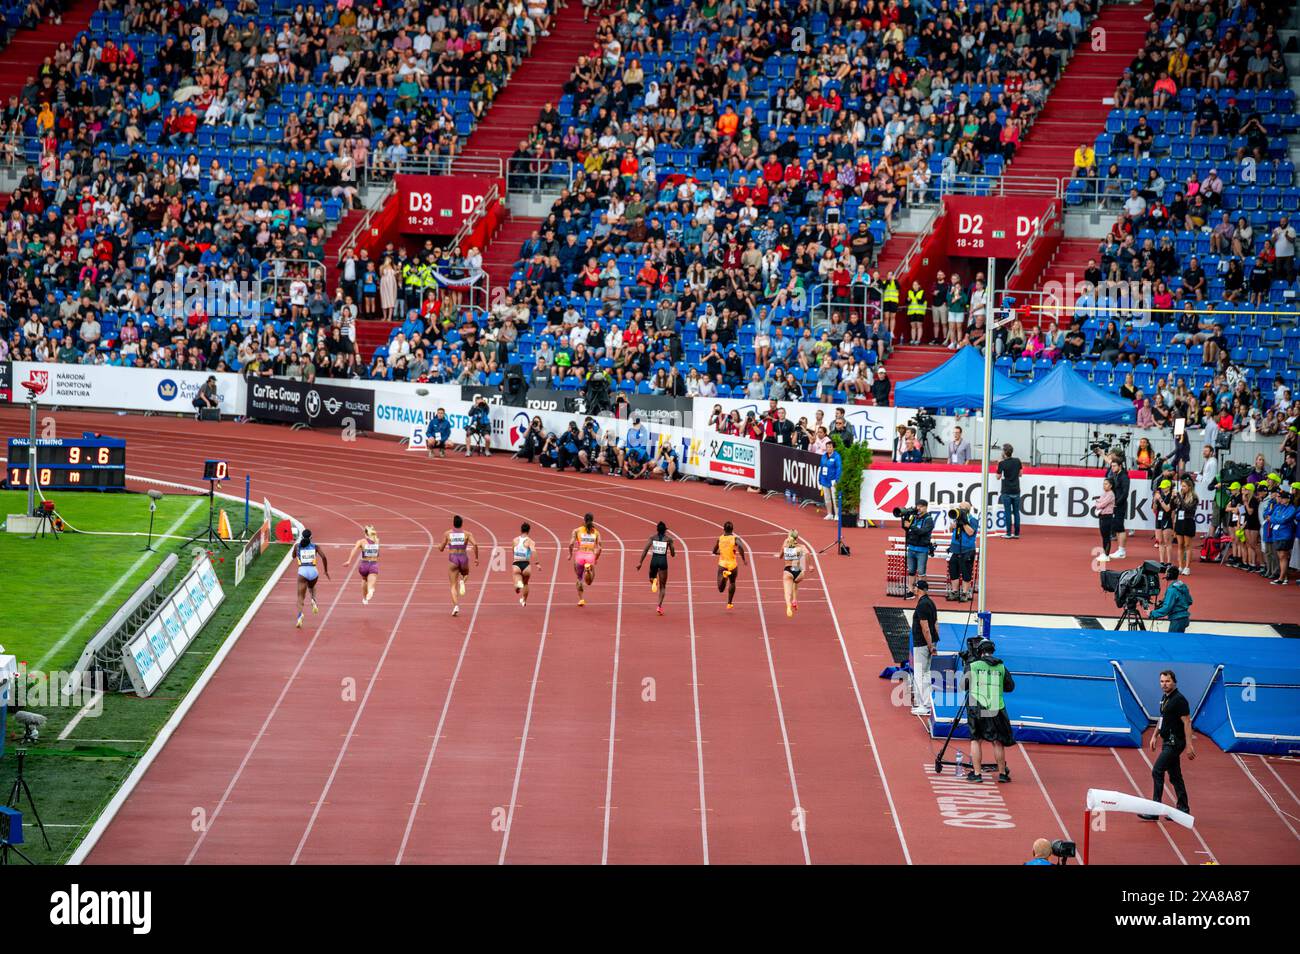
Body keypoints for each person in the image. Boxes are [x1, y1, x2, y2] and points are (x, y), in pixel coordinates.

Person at [1139, 670, 1194, 819]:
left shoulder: (1179, 700)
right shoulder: (1165, 698)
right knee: (1175, 776)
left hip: (1175, 742)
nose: (1164, 684)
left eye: (1167, 681)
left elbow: (1187, 722)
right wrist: (1154, 735)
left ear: (1174, 682)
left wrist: (1189, 745)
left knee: (1157, 770)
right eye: (1162, 681)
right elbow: (1162, 718)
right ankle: (1183, 808)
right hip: (1166, 741)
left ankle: (1155, 810)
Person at [964, 638, 1015, 784]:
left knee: (976, 740)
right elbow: (1010, 687)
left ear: (979, 652)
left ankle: (977, 774)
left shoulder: (973, 666)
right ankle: (1002, 774)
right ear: (992, 651)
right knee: (997, 741)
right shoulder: (1001, 667)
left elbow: (964, 685)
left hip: (977, 707)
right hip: (996, 707)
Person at [438, 515, 480, 617]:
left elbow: (441, 548)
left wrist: (439, 546)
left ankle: (456, 606)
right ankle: (463, 581)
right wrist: (476, 558)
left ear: (453, 523)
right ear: (461, 524)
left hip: (453, 559)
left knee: (453, 586)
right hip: (463, 557)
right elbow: (475, 545)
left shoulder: (448, 533)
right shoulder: (467, 534)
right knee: (466, 574)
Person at [909, 579, 939, 715]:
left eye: (915, 587)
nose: (913, 589)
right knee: (925, 673)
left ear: (919, 589)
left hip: (922, 644)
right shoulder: (931, 603)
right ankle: (926, 703)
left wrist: (929, 645)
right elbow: (936, 624)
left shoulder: (922, 605)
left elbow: (925, 627)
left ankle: (924, 705)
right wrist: (934, 643)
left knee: (920, 674)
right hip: (928, 642)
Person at [636, 521, 676, 616]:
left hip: (654, 561)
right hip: (663, 562)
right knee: (663, 587)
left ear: (657, 530)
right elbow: (673, 554)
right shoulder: (668, 539)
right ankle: (659, 606)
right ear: (665, 530)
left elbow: (645, 550)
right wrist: (672, 548)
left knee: (652, 578)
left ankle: (653, 580)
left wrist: (640, 562)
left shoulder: (652, 538)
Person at [292, 528, 329, 629]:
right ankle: (313, 600)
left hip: (302, 571)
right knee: (312, 587)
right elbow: (324, 557)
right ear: (311, 537)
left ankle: (300, 615)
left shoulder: (297, 546)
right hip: (313, 571)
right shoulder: (315, 546)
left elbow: (293, 556)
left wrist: (296, 553)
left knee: (300, 597)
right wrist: (326, 571)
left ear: (302, 537)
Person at [901, 500, 936, 598]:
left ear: (926, 507)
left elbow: (922, 531)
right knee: (911, 571)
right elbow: (905, 528)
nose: (919, 508)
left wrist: (911, 526)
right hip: (911, 548)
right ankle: (910, 591)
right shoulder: (914, 517)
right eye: (917, 506)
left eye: (921, 506)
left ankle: (922, 592)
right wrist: (905, 517)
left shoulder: (929, 520)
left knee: (921, 573)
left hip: (922, 550)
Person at [568, 512, 603, 607]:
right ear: (592, 520)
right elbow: (600, 548)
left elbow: (571, 544)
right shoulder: (596, 532)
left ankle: (581, 599)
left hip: (579, 556)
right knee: (589, 581)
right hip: (590, 556)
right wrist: (596, 558)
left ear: (584, 520)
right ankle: (588, 571)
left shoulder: (576, 531)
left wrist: (570, 555)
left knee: (579, 578)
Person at [713, 520, 747, 610]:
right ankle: (729, 603)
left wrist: (719, 553)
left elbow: (713, 551)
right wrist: (743, 559)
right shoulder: (735, 539)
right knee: (732, 582)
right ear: (732, 530)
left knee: (720, 589)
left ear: (723, 529)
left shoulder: (720, 539)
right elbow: (741, 547)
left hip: (722, 564)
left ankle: (724, 577)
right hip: (733, 565)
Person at [778, 529, 812, 618]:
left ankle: (788, 606)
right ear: (797, 537)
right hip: (799, 572)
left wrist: (784, 546)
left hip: (788, 571)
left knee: (787, 593)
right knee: (796, 581)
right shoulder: (801, 546)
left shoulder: (785, 546)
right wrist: (811, 566)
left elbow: (780, 556)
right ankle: (795, 600)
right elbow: (808, 553)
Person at [947, 501, 977, 601]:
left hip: (967, 549)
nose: (959, 509)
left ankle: (964, 593)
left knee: (966, 571)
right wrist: (952, 526)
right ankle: (955, 591)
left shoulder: (972, 519)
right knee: (953, 569)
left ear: (967, 510)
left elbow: (970, 532)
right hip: (955, 549)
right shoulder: (957, 517)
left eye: (961, 507)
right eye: (959, 507)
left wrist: (963, 523)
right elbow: (951, 530)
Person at [1266, 485, 1296, 585]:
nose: (1281, 499)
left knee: (1283, 556)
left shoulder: (1291, 508)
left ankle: (1281, 578)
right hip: (1276, 534)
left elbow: (1283, 519)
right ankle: (1285, 576)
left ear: (1288, 499)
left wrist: (1274, 519)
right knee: (1280, 556)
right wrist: (1275, 519)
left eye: (1283, 498)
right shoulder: (1278, 507)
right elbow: (1271, 516)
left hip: (1285, 534)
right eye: (1281, 498)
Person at [1149, 566, 1193, 632]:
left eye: (1166, 572)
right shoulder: (1182, 585)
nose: (1165, 574)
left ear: (1169, 575)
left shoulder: (1171, 590)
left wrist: (1152, 613)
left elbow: (1166, 608)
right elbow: (1190, 601)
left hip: (1177, 620)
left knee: (1173, 641)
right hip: (1184, 618)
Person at [345, 525, 380, 605]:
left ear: (365, 533)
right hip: (373, 564)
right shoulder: (377, 540)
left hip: (364, 565)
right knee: (372, 581)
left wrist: (349, 560)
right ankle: (371, 589)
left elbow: (354, 549)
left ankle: (365, 598)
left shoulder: (361, 541)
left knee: (364, 579)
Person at [1173, 475, 1198, 576]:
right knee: (1180, 545)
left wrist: (1179, 496)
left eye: (1184, 486)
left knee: (1187, 545)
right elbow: (1174, 507)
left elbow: (1187, 508)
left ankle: (1187, 567)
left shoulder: (1194, 498)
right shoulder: (1180, 497)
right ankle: (1180, 566)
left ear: (1189, 487)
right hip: (1179, 521)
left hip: (1188, 522)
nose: (1182, 488)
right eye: (1181, 486)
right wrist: (1173, 498)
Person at [1108, 453, 1131, 559]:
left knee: (1120, 527)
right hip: (1115, 504)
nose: (1112, 468)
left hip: (1120, 505)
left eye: (1114, 466)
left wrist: (1116, 504)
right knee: (1117, 527)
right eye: (1111, 466)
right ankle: (1119, 550)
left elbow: (1125, 493)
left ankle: (1122, 551)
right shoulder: (1115, 475)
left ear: (1120, 466)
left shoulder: (1124, 477)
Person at [997, 444, 1022, 538]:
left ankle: (1008, 533)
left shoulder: (1002, 463)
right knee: (1016, 512)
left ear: (1004, 452)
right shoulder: (1017, 461)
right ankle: (1016, 533)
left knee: (1007, 512)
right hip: (1016, 490)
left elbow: (998, 477)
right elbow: (1020, 474)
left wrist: (999, 464)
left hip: (1006, 491)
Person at [511, 522, 538, 607]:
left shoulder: (515, 540)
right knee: (526, 584)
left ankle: (518, 585)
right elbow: (534, 551)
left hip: (517, 564)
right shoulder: (530, 541)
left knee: (517, 581)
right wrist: (537, 563)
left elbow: (513, 551)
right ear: (528, 531)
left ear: (521, 530)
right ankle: (524, 600)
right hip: (526, 565)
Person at [819, 436, 842, 521]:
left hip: (833, 481)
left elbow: (839, 468)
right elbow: (821, 468)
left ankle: (837, 514)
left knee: (834, 498)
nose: (828, 448)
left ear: (833, 448)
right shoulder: (824, 456)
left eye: (830, 447)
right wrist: (820, 479)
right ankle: (829, 514)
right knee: (827, 498)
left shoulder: (837, 456)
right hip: (825, 480)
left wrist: (837, 479)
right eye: (827, 447)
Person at [1095, 477, 1117, 562]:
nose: (1104, 485)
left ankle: (1106, 555)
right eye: (1103, 484)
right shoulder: (1104, 493)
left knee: (1106, 536)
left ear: (1111, 486)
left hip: (1107, 517)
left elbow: (1101, 504)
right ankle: (1104, 553)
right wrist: (1098, 503)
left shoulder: (1111, 494)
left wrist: (1098, 504)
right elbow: (1098, 501)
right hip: (1102, 516)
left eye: (1106, 484)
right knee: (1103, 535)